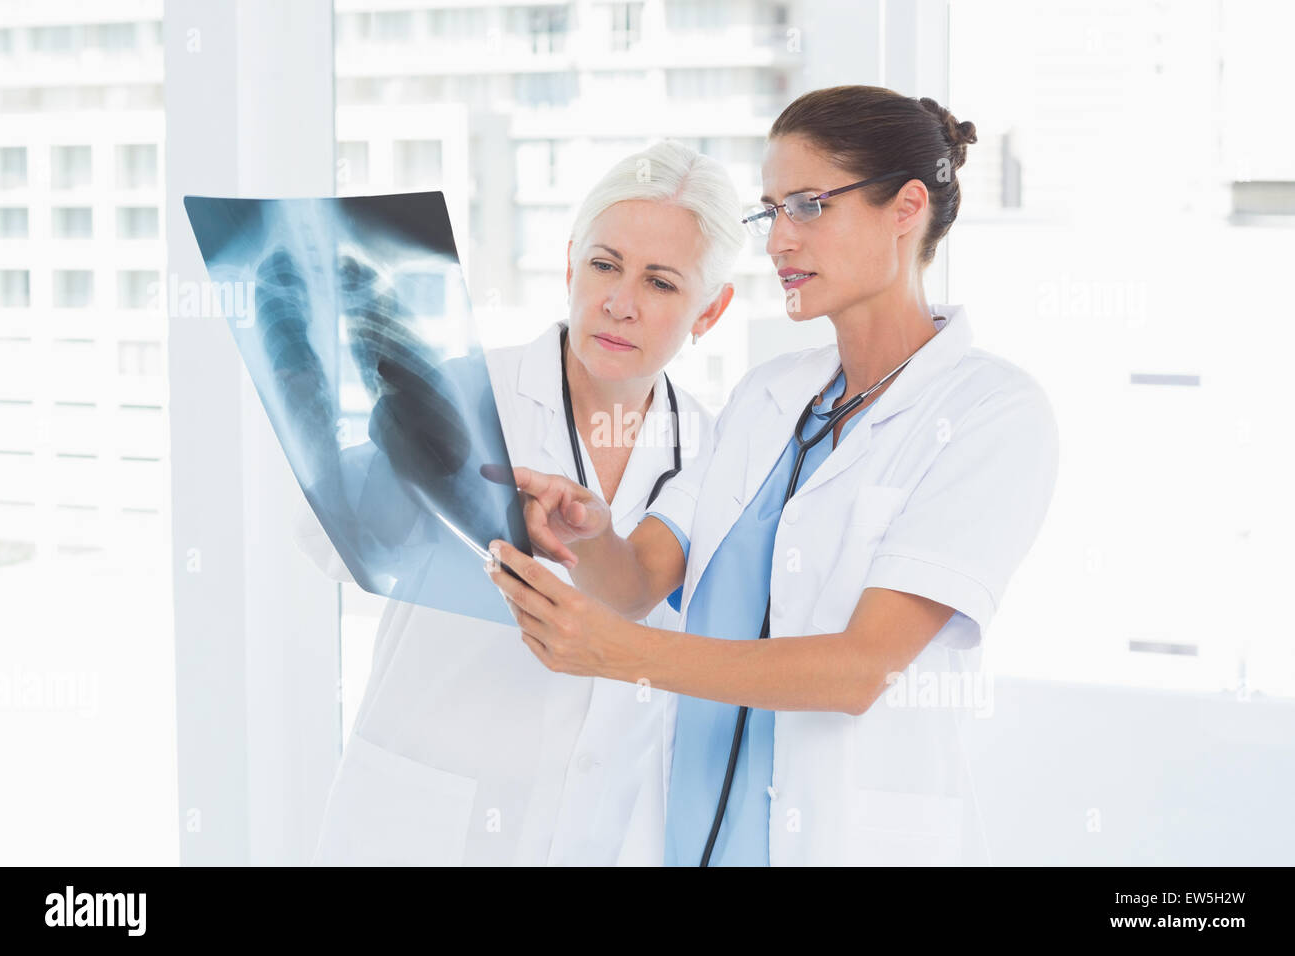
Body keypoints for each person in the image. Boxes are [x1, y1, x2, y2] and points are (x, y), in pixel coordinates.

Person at [486, 85, 1061, 866]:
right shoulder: (768, 397)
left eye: (809, 206)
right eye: (772, 211)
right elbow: (640, 579)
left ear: (907, 207)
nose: (779, 241)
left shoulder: (992, 412)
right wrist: (585, 531)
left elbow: (860, 667)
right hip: (691, 840)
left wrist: (619, 654)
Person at [296, 139, 742, 865]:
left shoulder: (716, 449)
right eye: (604, 264)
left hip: (602, 834)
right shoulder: (469, 395)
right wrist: (399, 462)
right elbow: (333, 540)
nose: (619, 303)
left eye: (661, 283)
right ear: (570, 264)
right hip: (426, 824)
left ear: (711, 310)